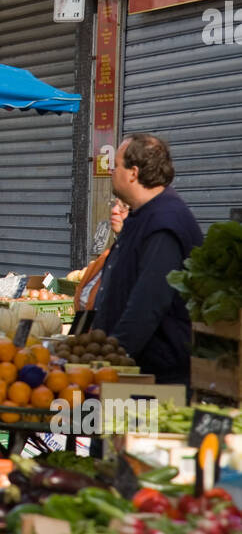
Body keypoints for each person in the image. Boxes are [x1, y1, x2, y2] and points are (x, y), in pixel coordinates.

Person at [92, 134, 203, 384]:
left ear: (133, 172)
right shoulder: (144, 215)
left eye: (116, 165)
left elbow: (148, 303)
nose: (111, 170)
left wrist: (114, 358)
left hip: (156, 376)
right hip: (136, 368)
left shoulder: (164, 223)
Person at [73, 196, 130, 312]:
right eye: (114, 204)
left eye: (124, 206)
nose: (114, 210)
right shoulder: (107, 257)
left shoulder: (143, 258)